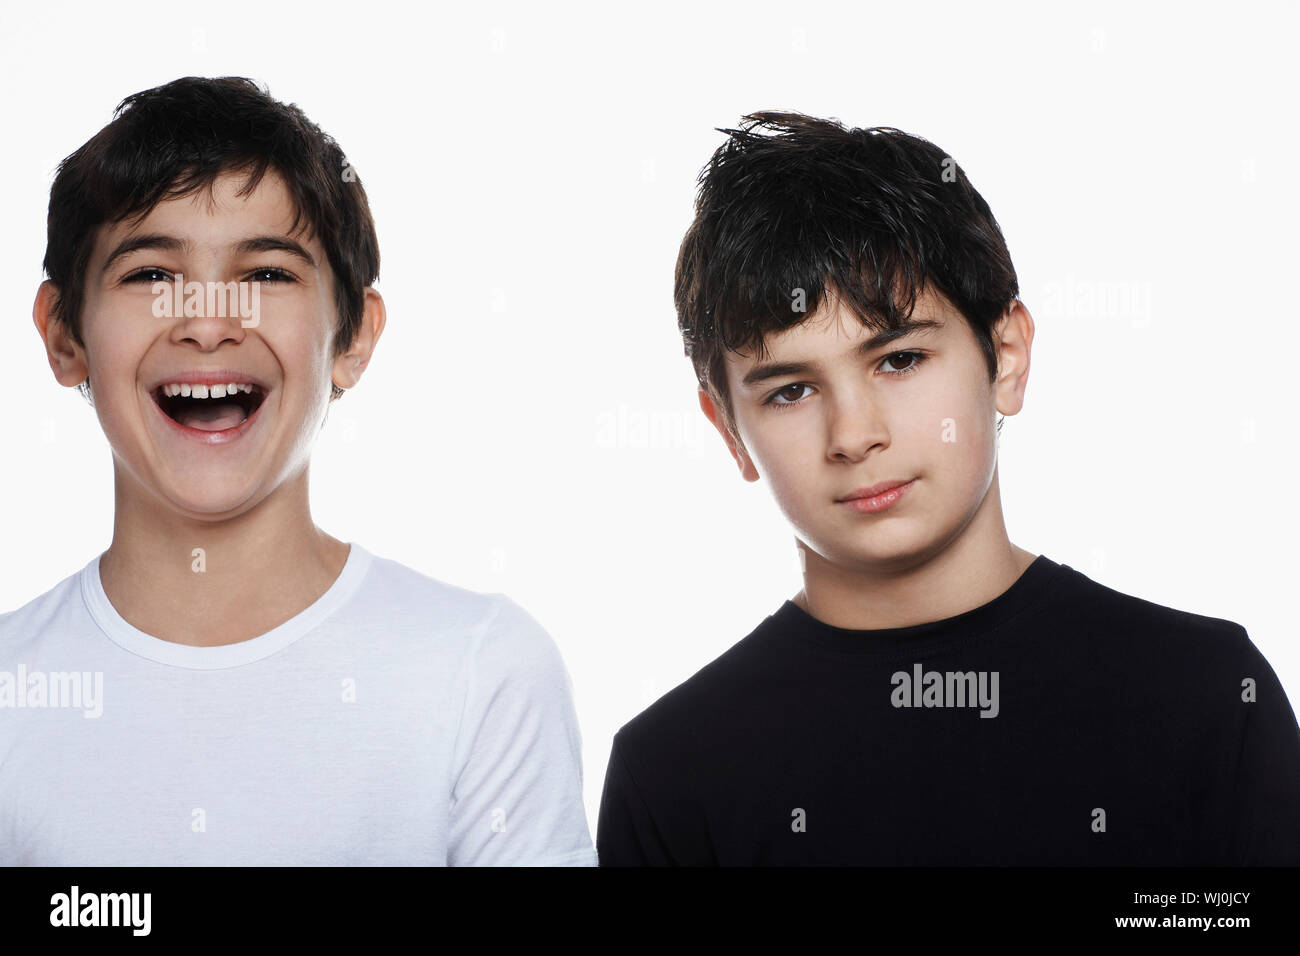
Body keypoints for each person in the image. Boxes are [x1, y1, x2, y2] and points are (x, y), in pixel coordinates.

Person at [595, 111, 1300, 865]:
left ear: (1006, 355)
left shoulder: (1205, 699)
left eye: (899, 361)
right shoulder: (673, 774)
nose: (854, 434)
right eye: (791, 391)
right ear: (729, 429)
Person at [2, 76, 594, 866]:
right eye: (150, 275)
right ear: (62, 335)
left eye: (267, 275)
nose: (209, 325)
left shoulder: (480, 673)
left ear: (353, 339)